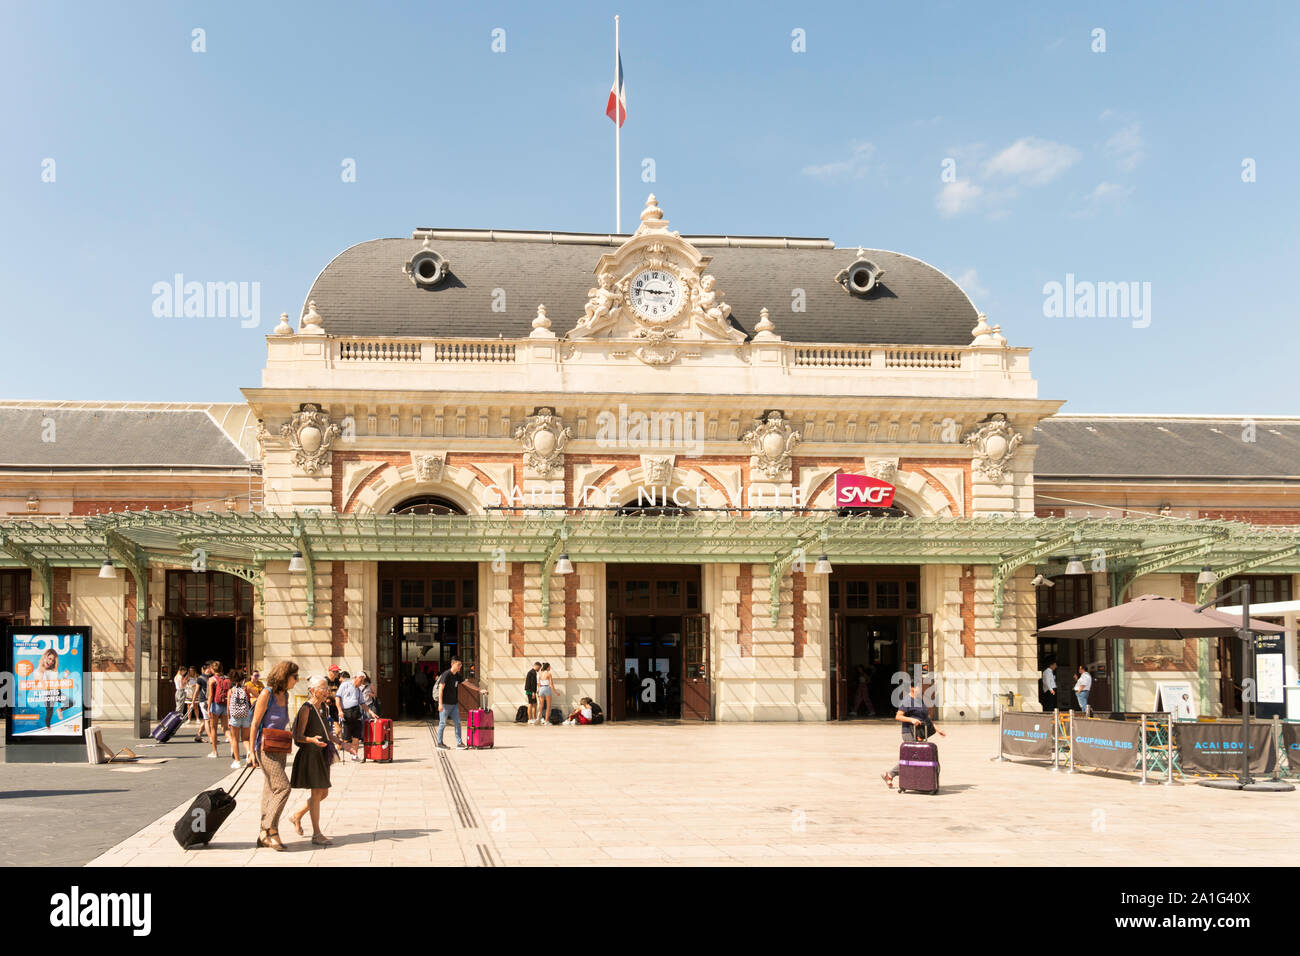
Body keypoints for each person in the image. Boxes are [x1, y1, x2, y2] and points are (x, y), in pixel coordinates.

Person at [249, 660, 299, 851]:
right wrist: (251, 752)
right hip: (265, 748)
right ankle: (269, 829)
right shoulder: (266, 693)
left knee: (270, 789)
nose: (297, 680)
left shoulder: (285, 695)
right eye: (295, 677)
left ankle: (265, 834)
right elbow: (254, 723)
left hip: (280, 746)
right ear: (284, 676)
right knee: (283, 787)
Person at [288, 676, 338, 847]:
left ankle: (297, 815)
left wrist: (343, 743)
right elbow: (298, 736)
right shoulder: (306, 709)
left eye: (327, 688)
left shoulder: (324, 707)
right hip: (310, 755)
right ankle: (317, 834)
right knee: (316, 794)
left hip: (322, 753)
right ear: (312, 690)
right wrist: (312, 740)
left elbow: (327, 733)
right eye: (323, 688)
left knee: (323, 793)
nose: (327, 691)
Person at [881, 679, 946, 789]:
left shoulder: (920, 700)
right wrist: (911, 720)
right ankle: (891, 774)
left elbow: (926, 718)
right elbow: (898, 716)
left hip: (920, 732)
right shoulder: (907, 701)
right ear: (911, 688)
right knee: (913, 756)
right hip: (909, 732)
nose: (920, 689)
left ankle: (897, 776)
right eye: (918, 687)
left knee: (917, 757)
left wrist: (937, 729)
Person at [433, 656, 485, 749]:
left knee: (457, 723)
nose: (460, 667)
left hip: (454, 704)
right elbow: (441, 689)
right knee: (442, 723)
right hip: (445, 704)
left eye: (460, 665)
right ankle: (439, 743)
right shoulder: (446, 674)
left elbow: (467, 684)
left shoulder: (457, 675)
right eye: (458, 665)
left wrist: (479, 690)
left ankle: (459, 743)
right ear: (452, 664)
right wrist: (440, 704)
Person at [335, 671, 367, 761]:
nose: (361, 683)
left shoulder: (359, 690)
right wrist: (340, 711)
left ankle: (355, 755)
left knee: (356, 737)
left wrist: (371, 712)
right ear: (355, 678)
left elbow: (363, 703)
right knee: (346, 738)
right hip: (346, 713)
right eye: (361, 680)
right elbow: (337, 698)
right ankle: (336, 752)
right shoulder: (345, 685)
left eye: (363, 681)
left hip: (356, 713)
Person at [227, 668, 252, 768]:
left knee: (235, 740)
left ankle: (237, 762)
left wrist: (229, 718)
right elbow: (259, 696)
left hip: (235, 717)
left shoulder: (231, 691)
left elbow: (228, 706)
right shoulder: (247, 688)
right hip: (246, 715)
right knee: (246, 739)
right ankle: (249, 752)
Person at [206, 661, 231, 759]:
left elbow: (211, 695)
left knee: (213, 728)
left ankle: (215, 752)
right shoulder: (227, 679)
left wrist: (208, 708)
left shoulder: (212, 679)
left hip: (215, 705)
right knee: (225, 728)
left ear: (212, 669)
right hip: (225, 705)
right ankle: (233, 744)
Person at [193, 662, 211, 743]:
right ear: (204, 669)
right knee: (207, 720)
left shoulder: (211, 677)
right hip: (204, 701)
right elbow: (196, 690)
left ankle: (198, 735)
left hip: (208, 700)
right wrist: (193, 701)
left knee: (206, 719)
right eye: (208, 668)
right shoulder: (201, 678)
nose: (210, 670)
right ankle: (211, 737)